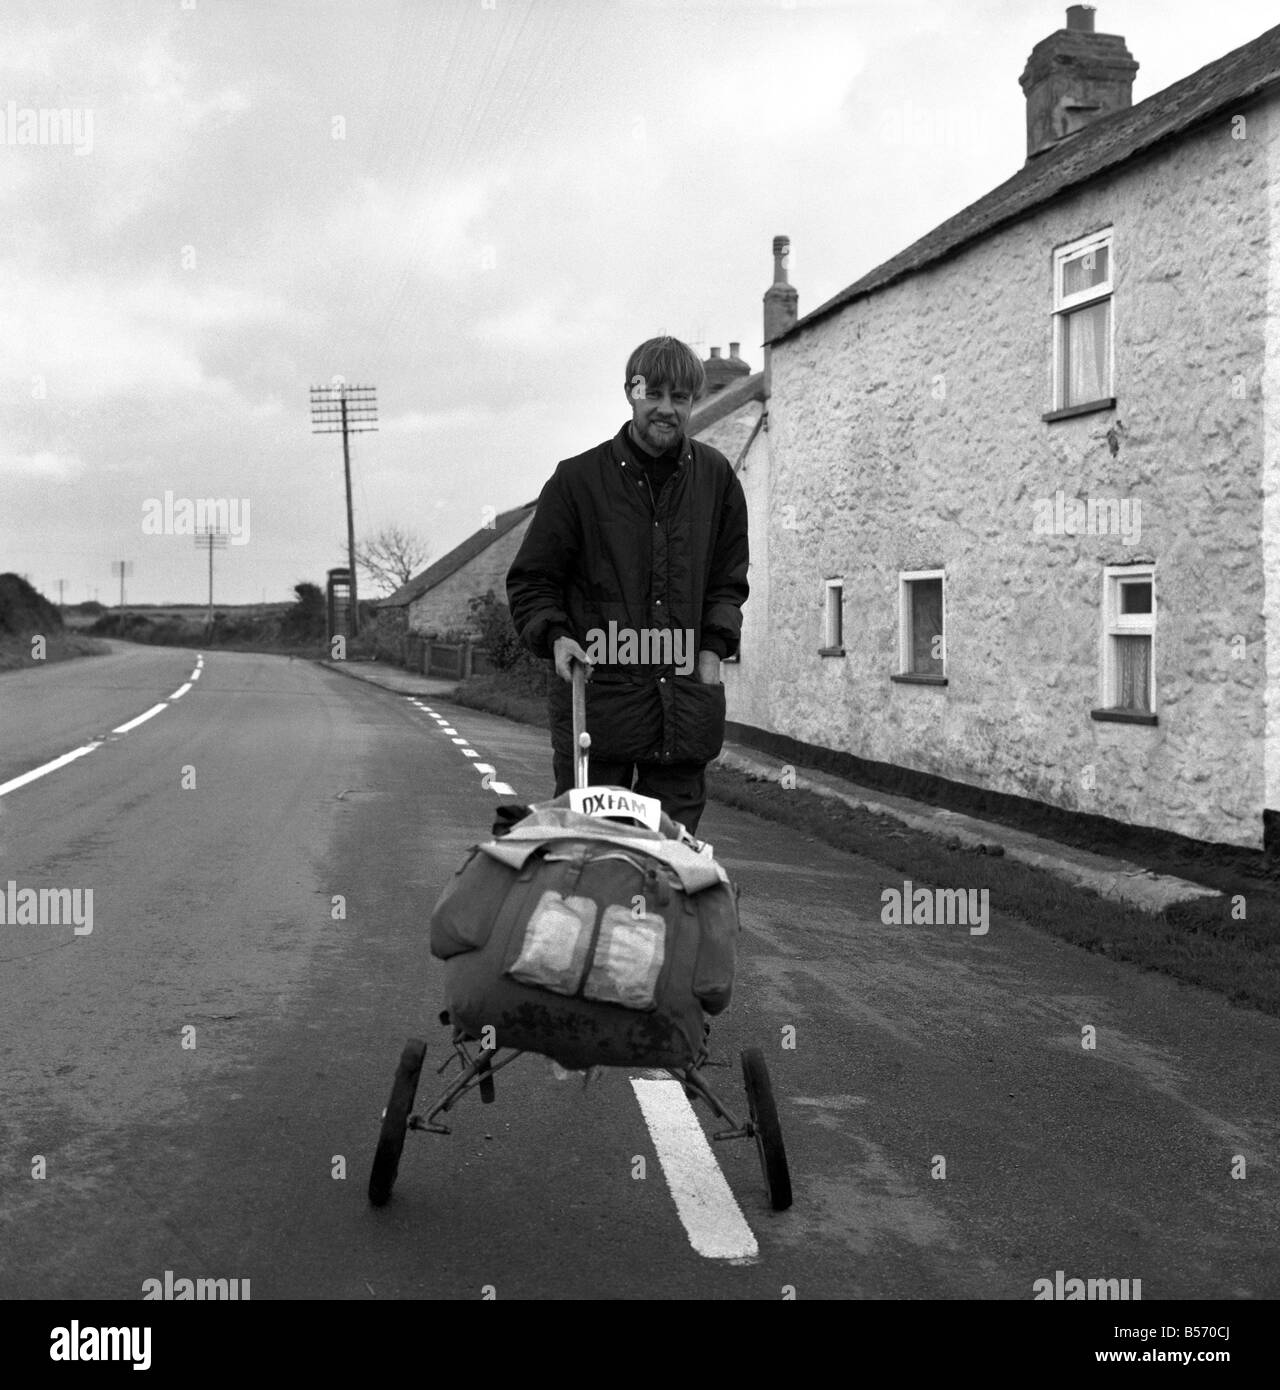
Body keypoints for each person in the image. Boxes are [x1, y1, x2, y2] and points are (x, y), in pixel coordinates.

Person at [506, 335, 749, 834]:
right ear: (630, 393)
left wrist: (712, 652)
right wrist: (556, 637)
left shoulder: (717, 479)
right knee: (592, 863)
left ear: (692, 402)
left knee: (668, 867)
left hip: (685, 707)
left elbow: (728, 582)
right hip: (596, 707)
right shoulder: (577, 482)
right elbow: (533, 580)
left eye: (678, 398)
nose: (665, 409)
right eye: (652, 394)